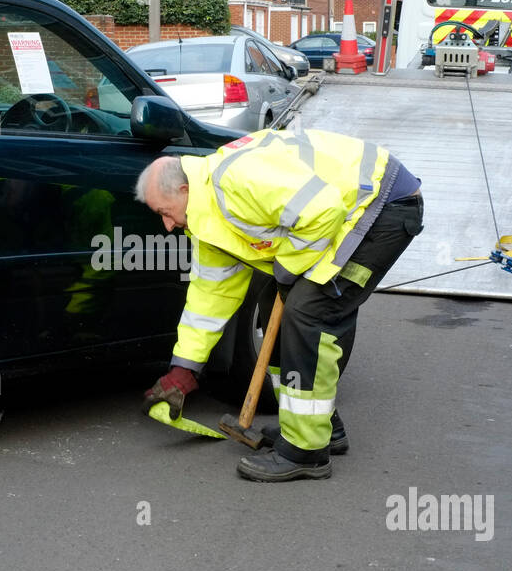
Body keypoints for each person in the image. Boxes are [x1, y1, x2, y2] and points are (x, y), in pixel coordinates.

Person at [139, 126, 423, 482]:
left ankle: (307, 452)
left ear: (184, 190)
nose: (167, 225)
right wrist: (184, 369)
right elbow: (209, 297)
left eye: (165, 212)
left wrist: (286, 271)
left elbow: (323, 210)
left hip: (383, 206)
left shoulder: (234, 182)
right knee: (276, 300)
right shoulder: (206, 216)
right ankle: (318, 427)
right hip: (352, 214)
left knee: (309, 312)